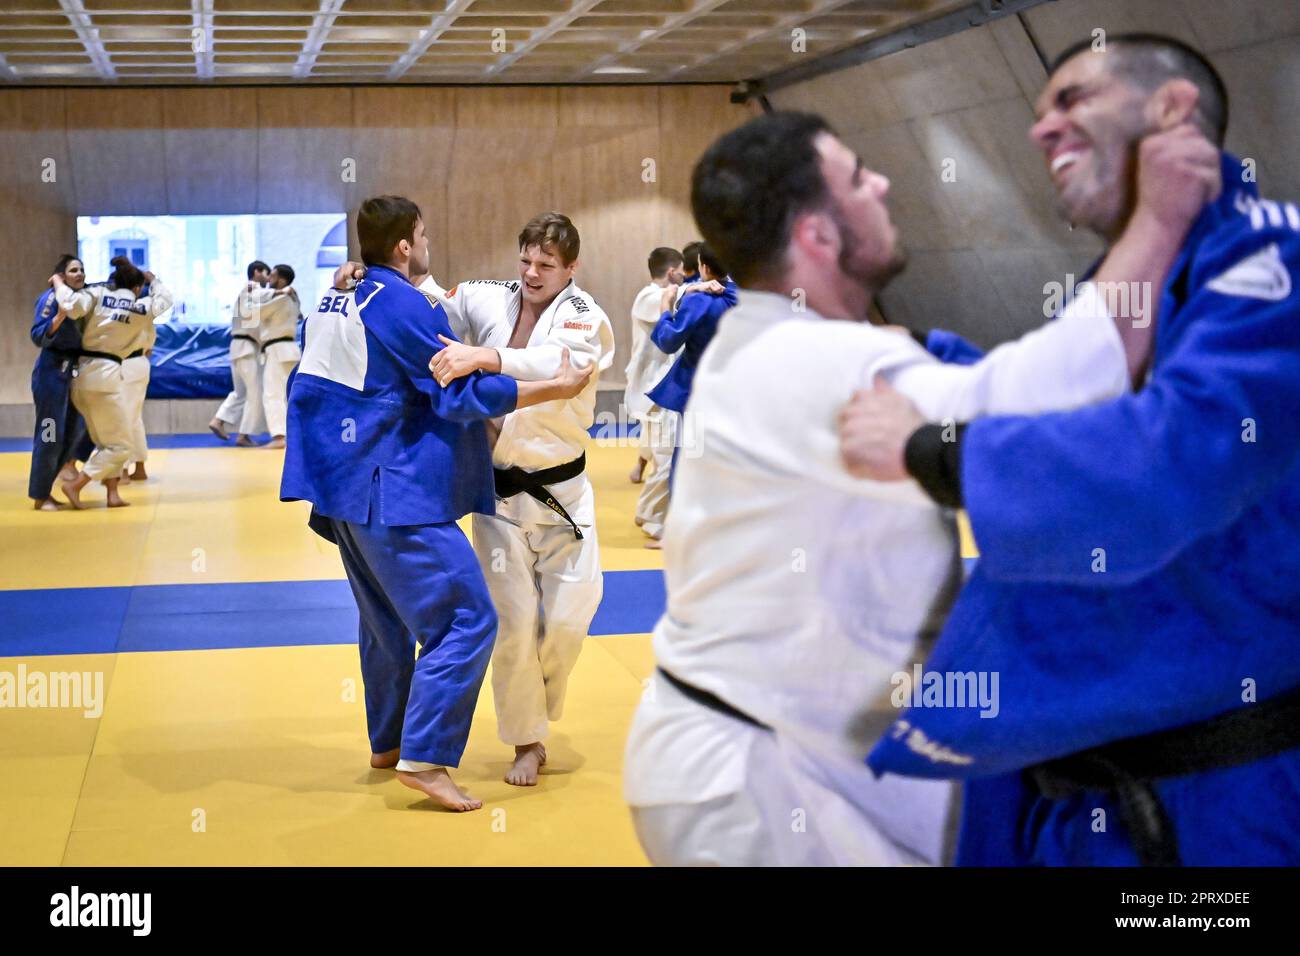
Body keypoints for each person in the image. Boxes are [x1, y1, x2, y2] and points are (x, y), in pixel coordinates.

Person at [621, 109, 1218, 866]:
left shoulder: (783, 345)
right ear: (818, 233)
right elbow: (1050, 396)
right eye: (858, 177)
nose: (884, 182)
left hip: (786, 757)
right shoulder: (806, 358)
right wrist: (1160, 218)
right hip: (754, 782)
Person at [840, 34, 1300, 867]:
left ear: (1171, 109)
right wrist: (931, 356)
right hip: (1069, 780)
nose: (1041, 129)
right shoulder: (1150, 276)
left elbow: (1174, 455)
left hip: (1213, 798)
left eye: (1074, 99)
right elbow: (1081, 396)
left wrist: (934, 452)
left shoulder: (1271, 251)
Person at [281, 196, 593, 811]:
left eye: (544, 263)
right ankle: (426, 760)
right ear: (404, 243)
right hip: (392, 490)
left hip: (340, 489)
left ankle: (389, 741)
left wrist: (357, 272)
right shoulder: (396, 301)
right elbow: (454, 393)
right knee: (466, 619)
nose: (426, 243)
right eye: (422, 235)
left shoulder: (336, 296)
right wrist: (549, 387)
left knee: (386, 620)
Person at [423, 212, 615, 786]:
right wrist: (372, 276)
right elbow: (431, 301)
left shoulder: (586, 317)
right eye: (525, 260)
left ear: (571, 268)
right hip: (498, 495)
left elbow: (559, 367)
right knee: (511, 626)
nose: (532, 273)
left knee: (568, 621)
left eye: (546, 265)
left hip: (563, 494)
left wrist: (482, 357)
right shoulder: (490, 298)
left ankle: (544, 700)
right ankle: (527, 740)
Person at [54, 257, 173, 509]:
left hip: (82, 376)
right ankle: (77, 485)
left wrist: (57, 282)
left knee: (105, 442)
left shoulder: (96, 294)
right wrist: (154, 280)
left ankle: (112, 494)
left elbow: (70, 305)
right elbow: (165, 300)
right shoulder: (140, 307)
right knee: (121, 445)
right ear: (138, 288)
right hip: (107, 378)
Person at [28, 254, 94, 510]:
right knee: (49, 435)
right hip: (50, 374)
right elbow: (36, 335)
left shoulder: (83, 299)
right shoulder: (51, 299)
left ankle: (51, 482)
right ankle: (40, 495)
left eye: (82, 270)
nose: (79, 274)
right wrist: (58, 319)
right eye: (73, 270)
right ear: (62, 276)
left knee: (76, 431)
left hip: (74, 372)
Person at [625, 248, 683, 535]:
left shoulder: (652, 296)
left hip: (657, 390)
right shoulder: (649, 297)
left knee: (661, 452)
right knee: (667, 456)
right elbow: (680, 298)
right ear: (672, 272)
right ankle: (652, 519)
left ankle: (646, 512)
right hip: (654, 391)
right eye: (683, 271)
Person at [211, 260, 270, 445]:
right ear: (256, 272)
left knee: (240, 392)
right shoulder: (252, 288)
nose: (268, 279)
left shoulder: (247, 294)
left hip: (238, 346)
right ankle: (244, 435)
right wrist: (281, 291)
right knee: (255, 392)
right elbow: (264, 296)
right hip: (246, 347)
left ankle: (218, 420)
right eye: (266, 274)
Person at [121, 272, 161, 482]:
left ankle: (123, 469)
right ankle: (139, 466)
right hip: (139, 363)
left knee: (124, 417)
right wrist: (153, 281)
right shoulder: (145, 307)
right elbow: (165, 298)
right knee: (133, 417)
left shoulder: (119, 308)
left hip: (125, 364)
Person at [259, 264, 302, 450]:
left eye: (273, 276)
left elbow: (250, 314)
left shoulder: (281, 298)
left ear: (282, 280)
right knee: (289, 396)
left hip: (277, 350)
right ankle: (294, 434)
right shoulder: (293, 298)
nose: (269, 279)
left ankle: (279, 436)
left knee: (273, 394)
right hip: (290, 349)